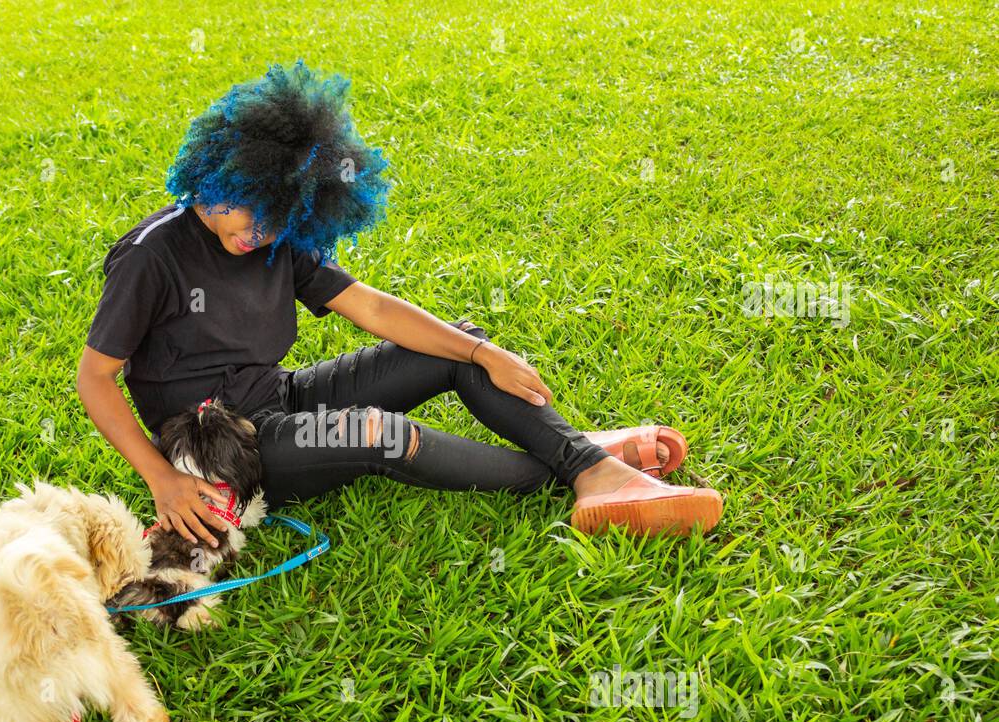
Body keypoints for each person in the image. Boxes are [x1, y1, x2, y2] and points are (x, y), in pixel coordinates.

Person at [77, 61, 723, 548]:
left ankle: (584, 462)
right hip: (222, 446)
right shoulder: (152, 258)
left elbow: (376, 310)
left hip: (281, 397)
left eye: (279, 222)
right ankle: (587, 465)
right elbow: (96, 379)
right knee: (382, 436)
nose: (259, 235)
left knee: (452, 348)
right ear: (221, 173)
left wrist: (481, 350)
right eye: (252, 212)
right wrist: (162, 478)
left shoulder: (278, 232)